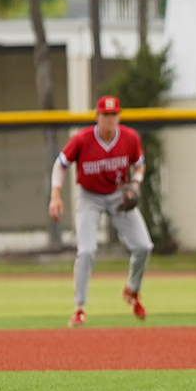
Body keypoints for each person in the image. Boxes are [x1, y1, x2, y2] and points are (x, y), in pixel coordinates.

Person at [49, 94, 152, 327]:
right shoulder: (82, 139)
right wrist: (55, 195)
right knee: (86, 251)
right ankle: (79, 308)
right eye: (105, 114)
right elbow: (61, 164)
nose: (109, 119)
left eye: (113, 114)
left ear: (119, 116)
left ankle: (132, 291)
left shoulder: (130, 137)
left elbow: (139, 165)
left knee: (144, 246)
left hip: (117, 195)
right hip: (89, 197)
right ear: (96, 116)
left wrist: (135, 183)